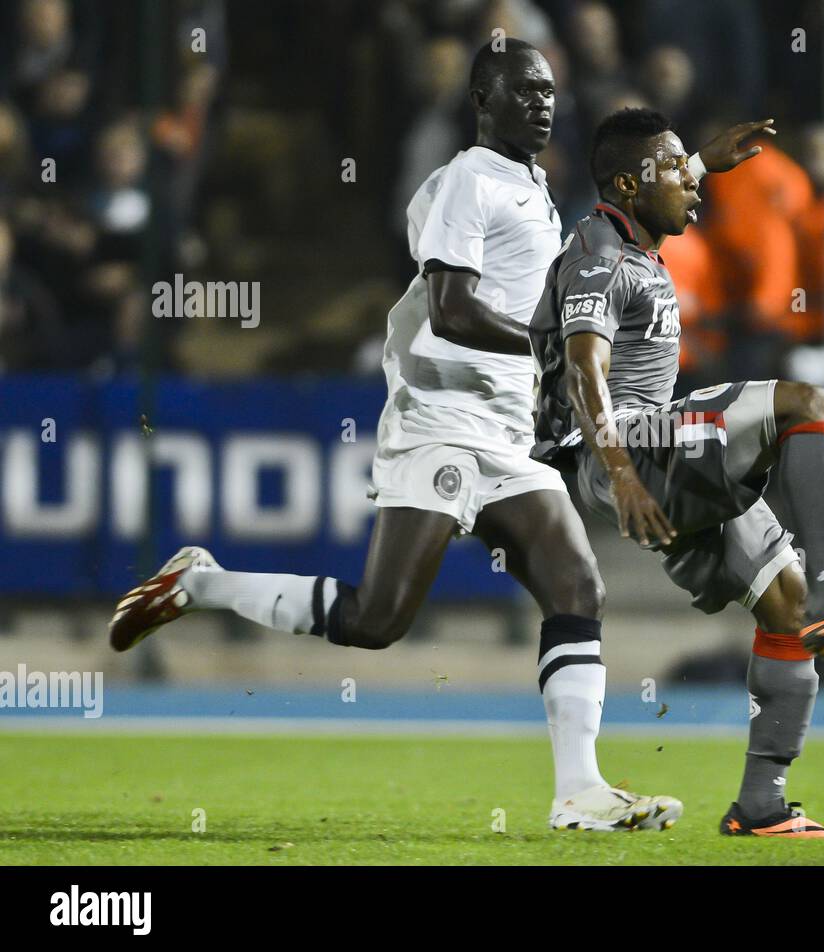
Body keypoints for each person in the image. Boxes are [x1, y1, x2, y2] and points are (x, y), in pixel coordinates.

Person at [108, 39, 770, 834]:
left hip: (506, 435)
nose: (542, 102)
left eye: (549, 89)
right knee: (377, 620)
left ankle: (579, 790)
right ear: (483, 102)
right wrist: (547, 347)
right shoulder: (468, 180)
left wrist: (693, 164)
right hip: (443, 424)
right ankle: (200, 581)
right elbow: (452, 307)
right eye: (523, 90)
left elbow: (616, 214)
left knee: (577, 588)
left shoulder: (534, 187)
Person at [530, 108, 824, 839]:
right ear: (627, 182)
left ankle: (761, 805)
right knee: (804, 402)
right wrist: (620, 474)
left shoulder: (628, 239)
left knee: (784, 600)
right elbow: (586, 363)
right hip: (629, 447)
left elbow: (651, 191)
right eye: (675, 169)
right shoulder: (597, 256)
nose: (693, 182)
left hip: (649, 452)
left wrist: (698, 160)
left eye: (689, 167)